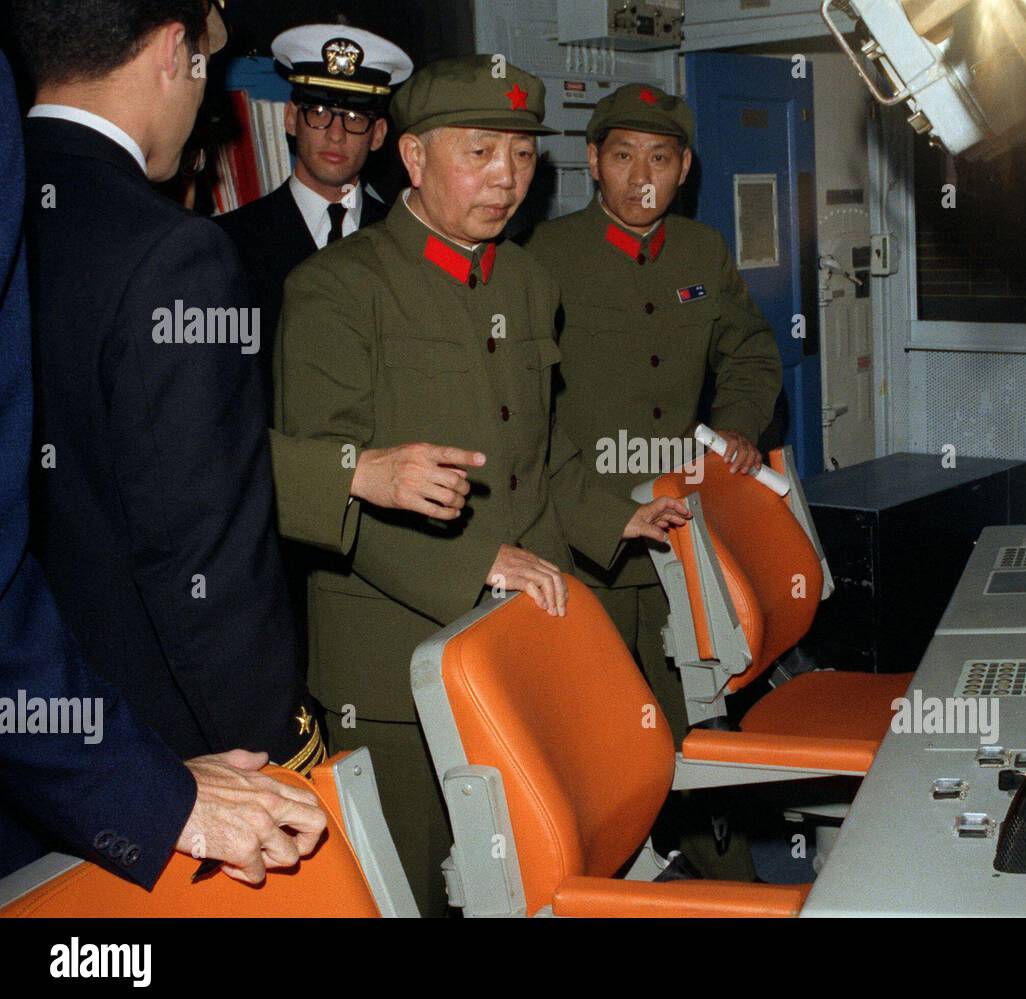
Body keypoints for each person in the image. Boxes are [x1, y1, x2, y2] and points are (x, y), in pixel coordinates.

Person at [273, 55, 690, 915]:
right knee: (420, 886)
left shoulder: (531, 282)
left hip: (522, 643)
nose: (507, 180)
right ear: (414, 158)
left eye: (524, 157)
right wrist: (477, 562)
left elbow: (544, 457)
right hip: (395, 663)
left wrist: (623, 515)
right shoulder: (337, 289)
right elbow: (321, 479)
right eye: (481, 153)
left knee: (532, 872)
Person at [0, 43, 327, 891]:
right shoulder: (171, 254)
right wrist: (290, 749)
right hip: (171, 772)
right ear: (176, 51)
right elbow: (205, 562)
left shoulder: (23, 201)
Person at [523, 83, 783, 744]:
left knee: (695, 706)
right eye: (623, 157)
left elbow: (749, 348)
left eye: (660, 160)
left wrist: (736, 427)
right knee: (599, 726)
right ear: (592, 160)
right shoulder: (542, 258)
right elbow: (521, 406)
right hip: (584, 537)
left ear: (684, 168)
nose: (641, 179)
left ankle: (703, 838)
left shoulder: (702, 252)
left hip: (681, 526)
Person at [216, 23, 412, 359]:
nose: (336, 135)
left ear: (378, 134)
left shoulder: (405, 241)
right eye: (319, 113)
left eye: (354, 117)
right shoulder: (230, 244)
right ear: (291, 118)